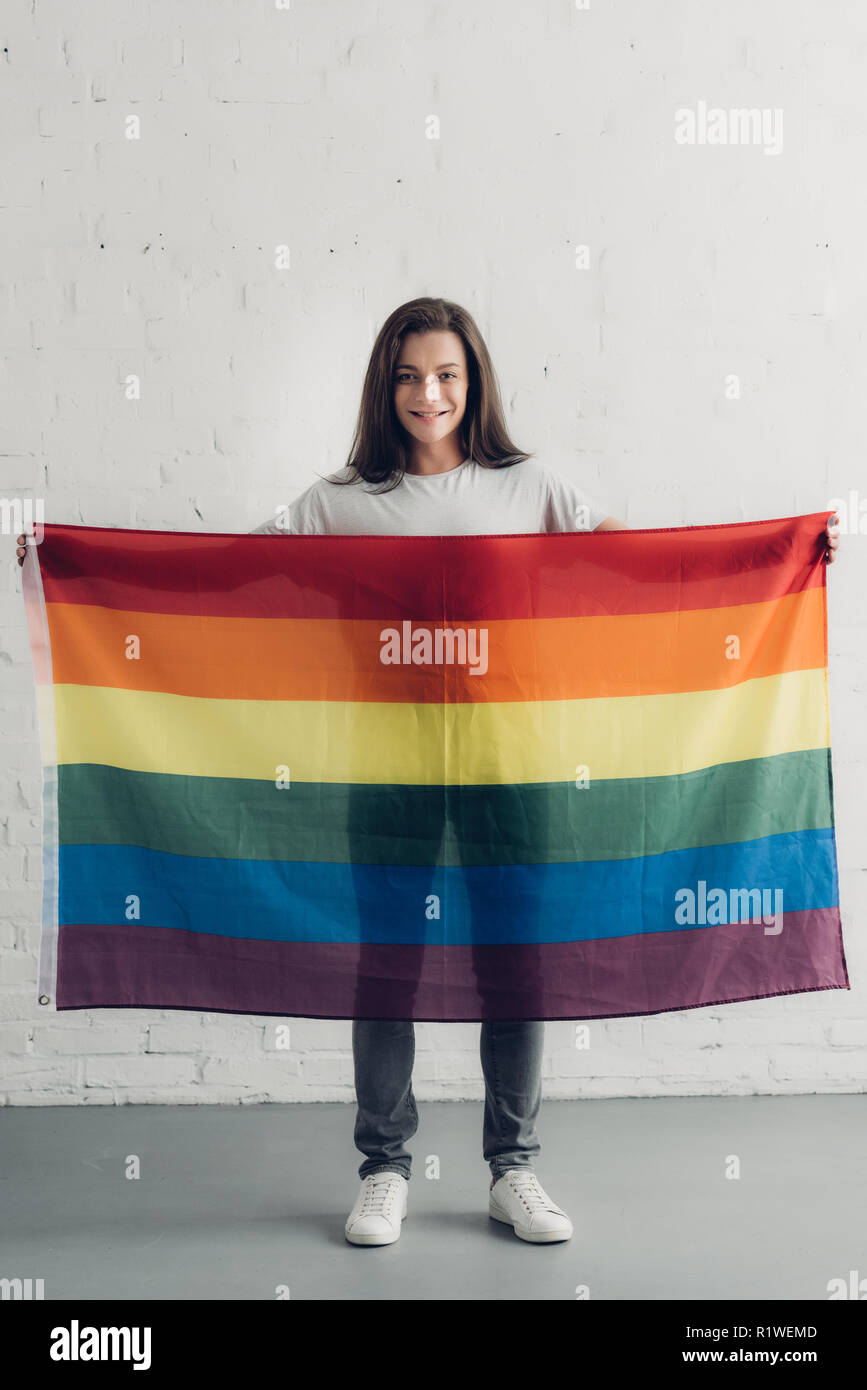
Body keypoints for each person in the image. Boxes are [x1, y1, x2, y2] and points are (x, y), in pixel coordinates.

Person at [15, 297, 842, 1251]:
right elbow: (225, 576)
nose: (428, 393)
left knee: (515, 968)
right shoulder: (341, 502)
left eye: (446, 373)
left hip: (512, 773)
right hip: (387, 775)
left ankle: (513, 1168)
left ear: (474, 381)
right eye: (408, 375)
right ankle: (382, 1170)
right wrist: (71, 561)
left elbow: (637, 563)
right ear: (385, 386)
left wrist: (784, 555)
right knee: (387, 970)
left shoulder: (528, 489)